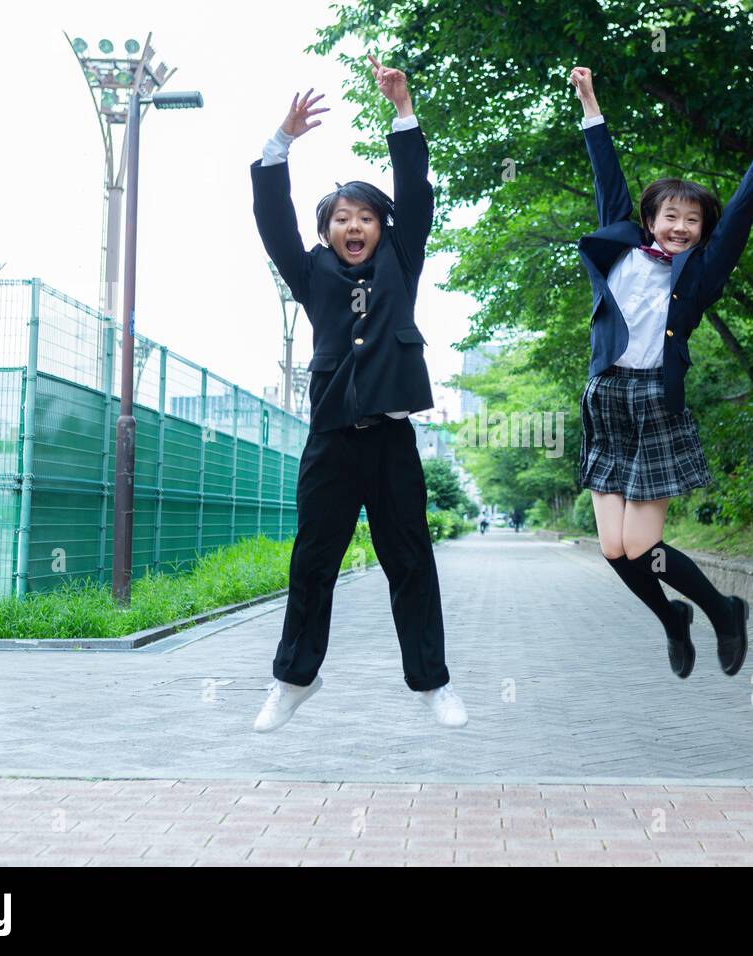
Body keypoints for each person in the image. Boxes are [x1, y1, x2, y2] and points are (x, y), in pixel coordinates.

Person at [569, 65, 753, 680]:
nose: (679, 227)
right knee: (613, 549)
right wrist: (591, 101)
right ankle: (673, 620)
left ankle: (723, 611)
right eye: (669, 216)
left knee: (642, 546)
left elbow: (740, 220)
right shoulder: (621, 250)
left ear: (701, 231)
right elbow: (607, 177)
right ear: (649, 220)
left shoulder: (700, 275)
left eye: (692, 220)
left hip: (656, 404)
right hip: (606, 400)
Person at [249, 57, 467, 731]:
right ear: (327, 232)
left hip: (393, 442)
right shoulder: (311, 273)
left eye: (365, 217)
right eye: (341, 218)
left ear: (381, 227)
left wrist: (403, 112)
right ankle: (293, 678)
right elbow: (271, 218)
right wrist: (278, 144)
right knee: (313, 560)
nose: (353, 227)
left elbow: (415, 189)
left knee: (410, 561)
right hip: (331, 442)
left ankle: (432, 684)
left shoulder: (403, 261)